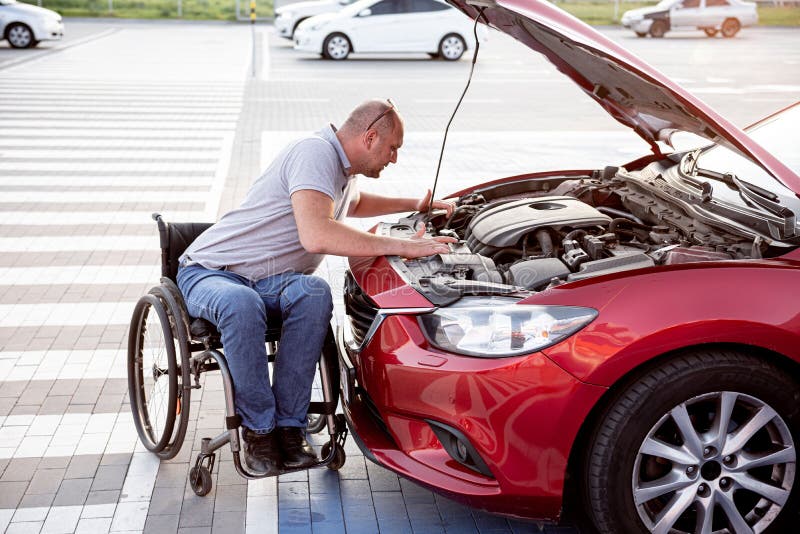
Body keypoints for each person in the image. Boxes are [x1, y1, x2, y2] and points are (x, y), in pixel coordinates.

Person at [177, 99, 456, 475]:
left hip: (266, 280)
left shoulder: (341, 169)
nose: (394, 159)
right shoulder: (314, 153)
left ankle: (290, 429)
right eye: (392, 148)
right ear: (370, 137)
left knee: (313, 293)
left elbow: (352, 203)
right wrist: (402, 246)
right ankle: (259, 432)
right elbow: (317, 234)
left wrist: (416, 203)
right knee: (241, 304)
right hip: (213, 272)